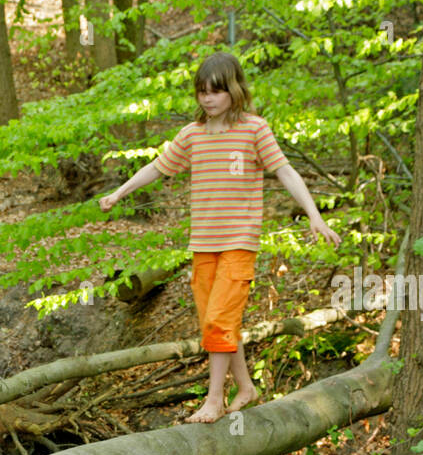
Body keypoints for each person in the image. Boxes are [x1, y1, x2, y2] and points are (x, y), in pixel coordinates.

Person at [100, 51, 341, 423]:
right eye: (201, 92)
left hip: (239, 241)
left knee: (218, 321)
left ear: (234, 90)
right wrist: (120, 193)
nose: (207, 99)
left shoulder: (254, 129)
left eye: (215, 91)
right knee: (219, 324)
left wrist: (315, 216)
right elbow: (156, 168)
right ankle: (245, 386)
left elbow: (286, 172)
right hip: (203, 245)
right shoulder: (192, 135)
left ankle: (215, 399)